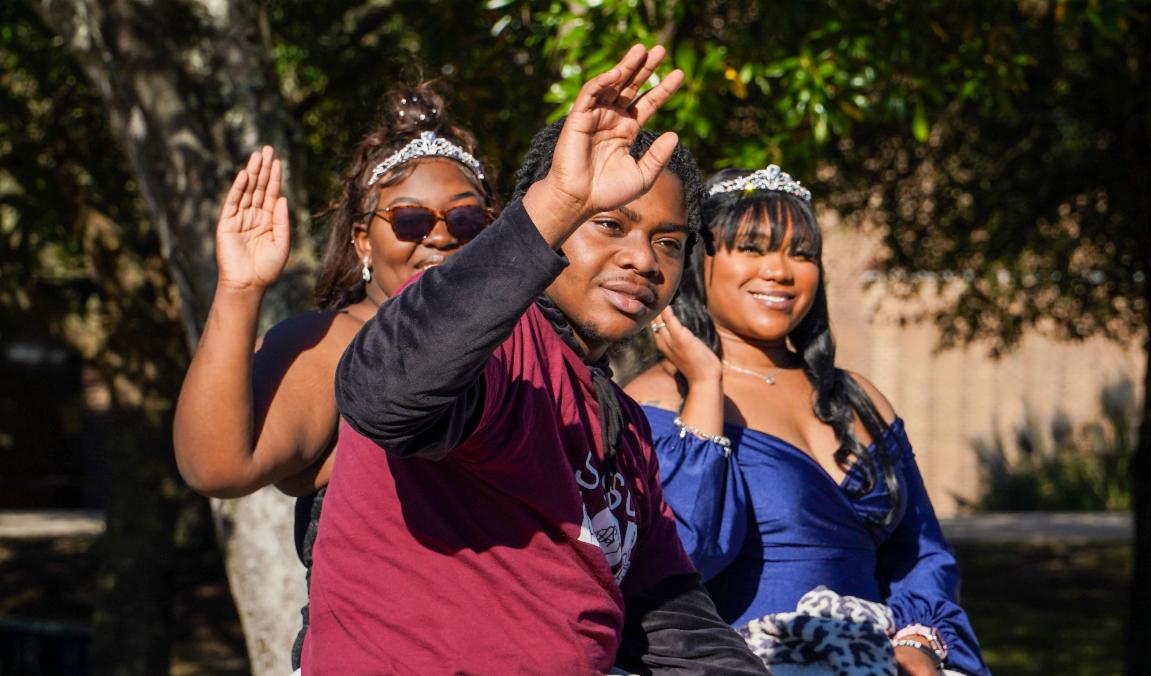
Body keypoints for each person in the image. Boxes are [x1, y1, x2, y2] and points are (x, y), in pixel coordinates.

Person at [307, 45, 767, 674]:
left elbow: (674, 621)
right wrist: (558, 201)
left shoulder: (626, 428)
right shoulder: (490, 344)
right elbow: (385, 394)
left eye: (668, 242)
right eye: (609, 224)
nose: (643, 259)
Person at [172, 82, 497, 667]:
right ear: (362, 240)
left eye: (467, 218)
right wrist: (240, 288)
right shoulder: (331, 344)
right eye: (410, 219)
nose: (441, 235)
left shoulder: (524, 354)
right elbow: (216, 465)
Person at [623, 165, 990, 675]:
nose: (780, 271)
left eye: (802, 254)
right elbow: (686, 555)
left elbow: (921, 550)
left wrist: (919, 642)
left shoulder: (857, 396)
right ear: (697, 260)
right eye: (752, 248)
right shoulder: (656, 400)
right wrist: (705, 386)